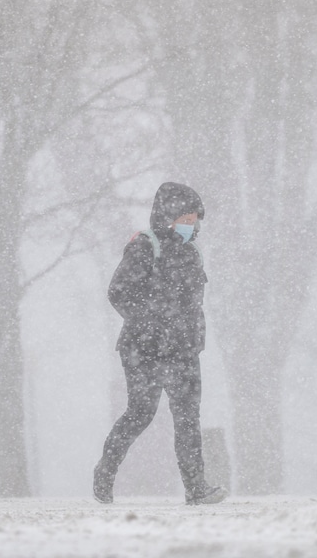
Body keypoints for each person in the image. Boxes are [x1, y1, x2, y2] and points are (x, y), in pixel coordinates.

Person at [94, 182, 227, 505]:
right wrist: (153, 322)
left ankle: (196, 489)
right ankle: (105, 472)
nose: (190, 224)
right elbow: (118, 292)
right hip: (145, 350)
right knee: (140, 414)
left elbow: (192, 303)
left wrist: (192, 336)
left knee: (188, 418)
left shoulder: (192, 252)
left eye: (194, 218)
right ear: (168, 215)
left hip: (184, 351)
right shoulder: (144, 247)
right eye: (185, 217)